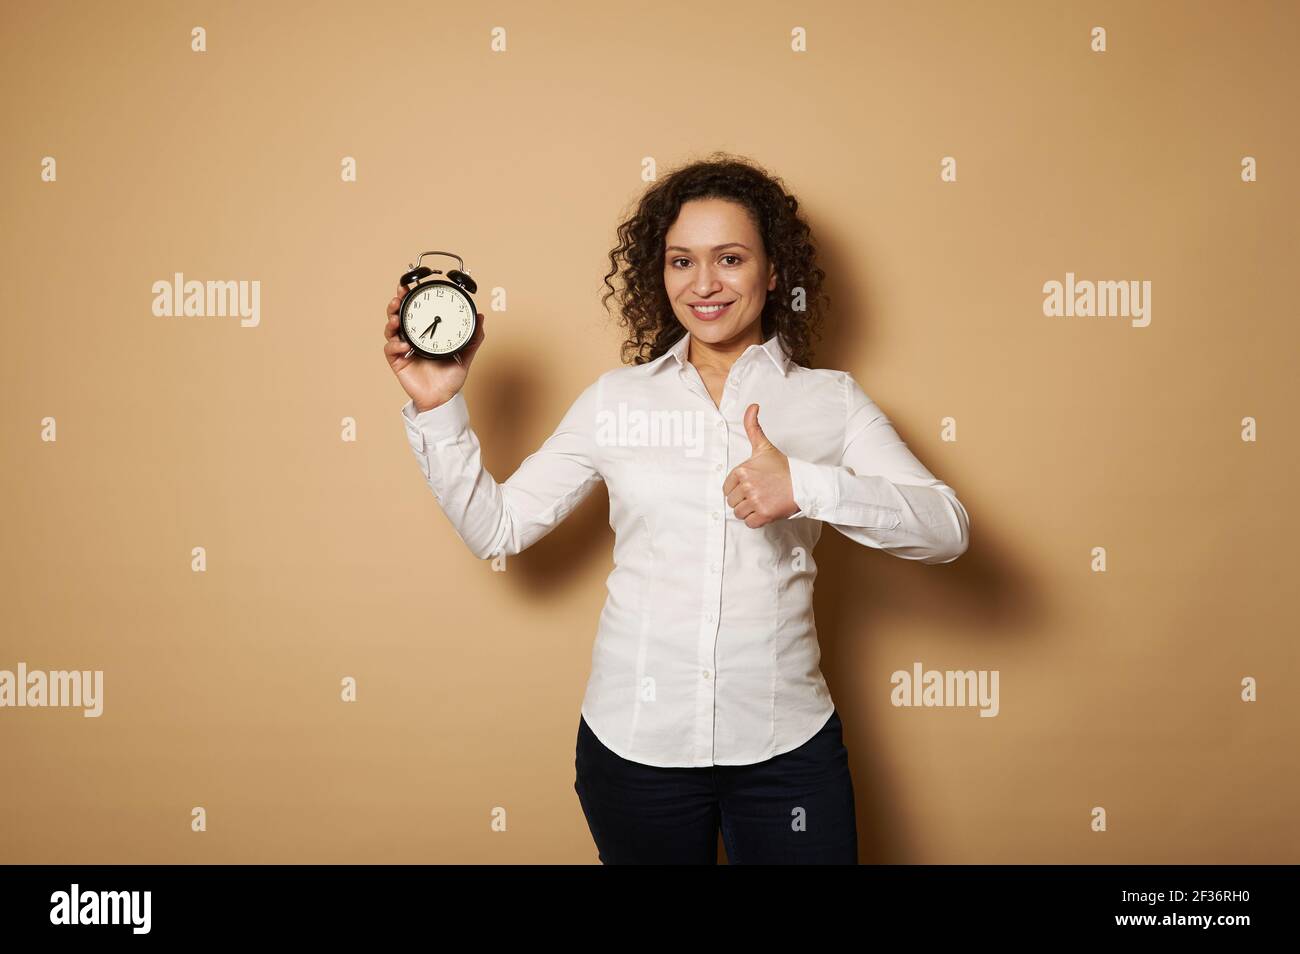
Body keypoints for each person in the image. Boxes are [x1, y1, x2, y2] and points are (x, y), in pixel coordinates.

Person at [383, 153, 971, 864]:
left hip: (786, 748)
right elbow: (498, 529)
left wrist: (808, 486)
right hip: (635, 748)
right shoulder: (615, 402)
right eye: (681, 262)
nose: (704, 284)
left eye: (730, 258)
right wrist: (439, 406)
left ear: (774, 269)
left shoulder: (831, 402)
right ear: (658, 275)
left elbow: (947, 530)